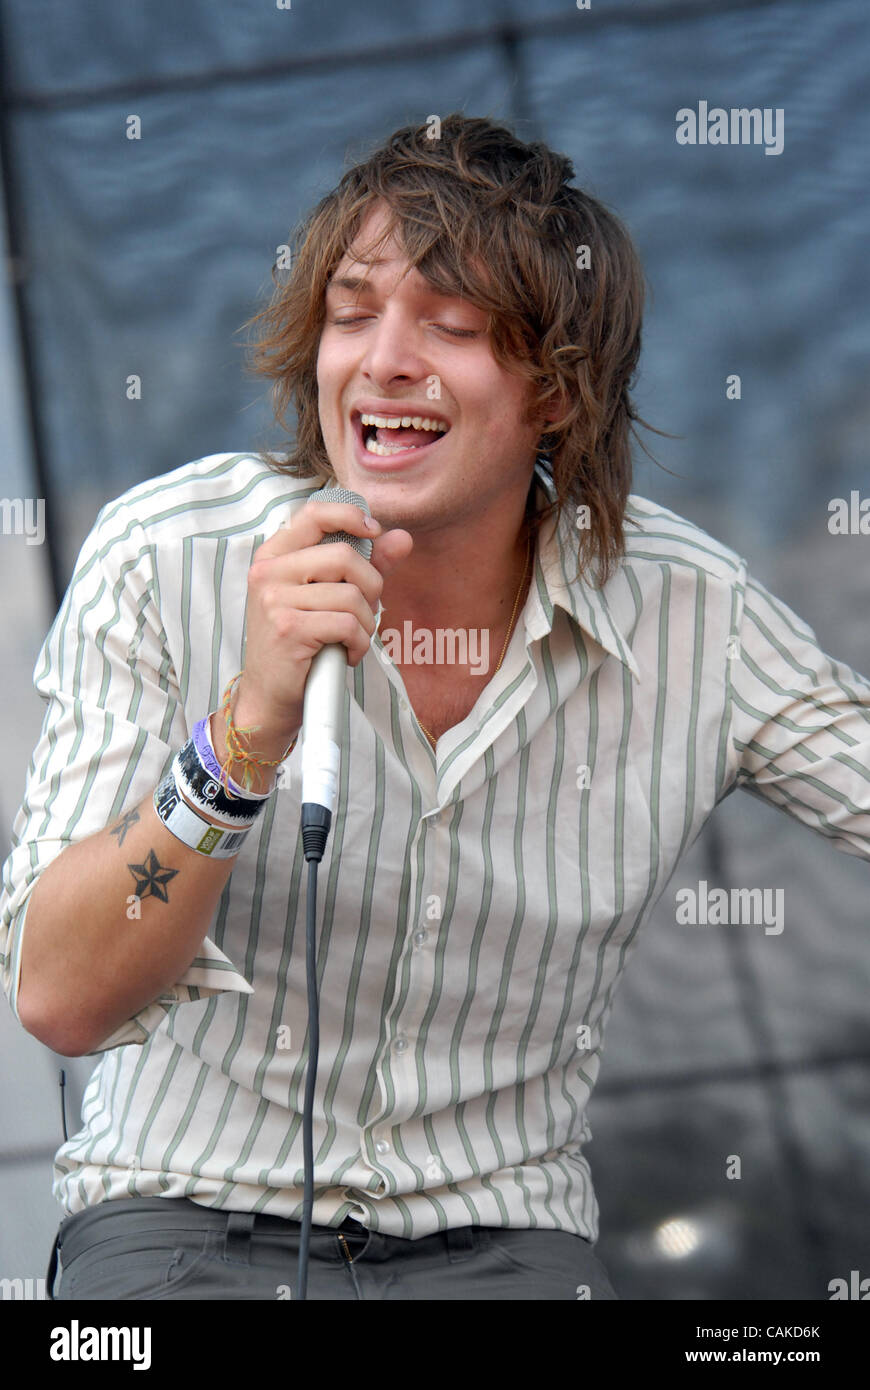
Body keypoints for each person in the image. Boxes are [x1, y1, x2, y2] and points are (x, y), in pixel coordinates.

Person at [2, 114, 869, 1302]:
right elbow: (59, 992)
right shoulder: (168, 556)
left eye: (452, 328)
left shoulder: (691, 612)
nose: (385, 360)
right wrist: (249, 727)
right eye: (353, 315)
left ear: (558, 394)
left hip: (505, 1244)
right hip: (182, 1219)